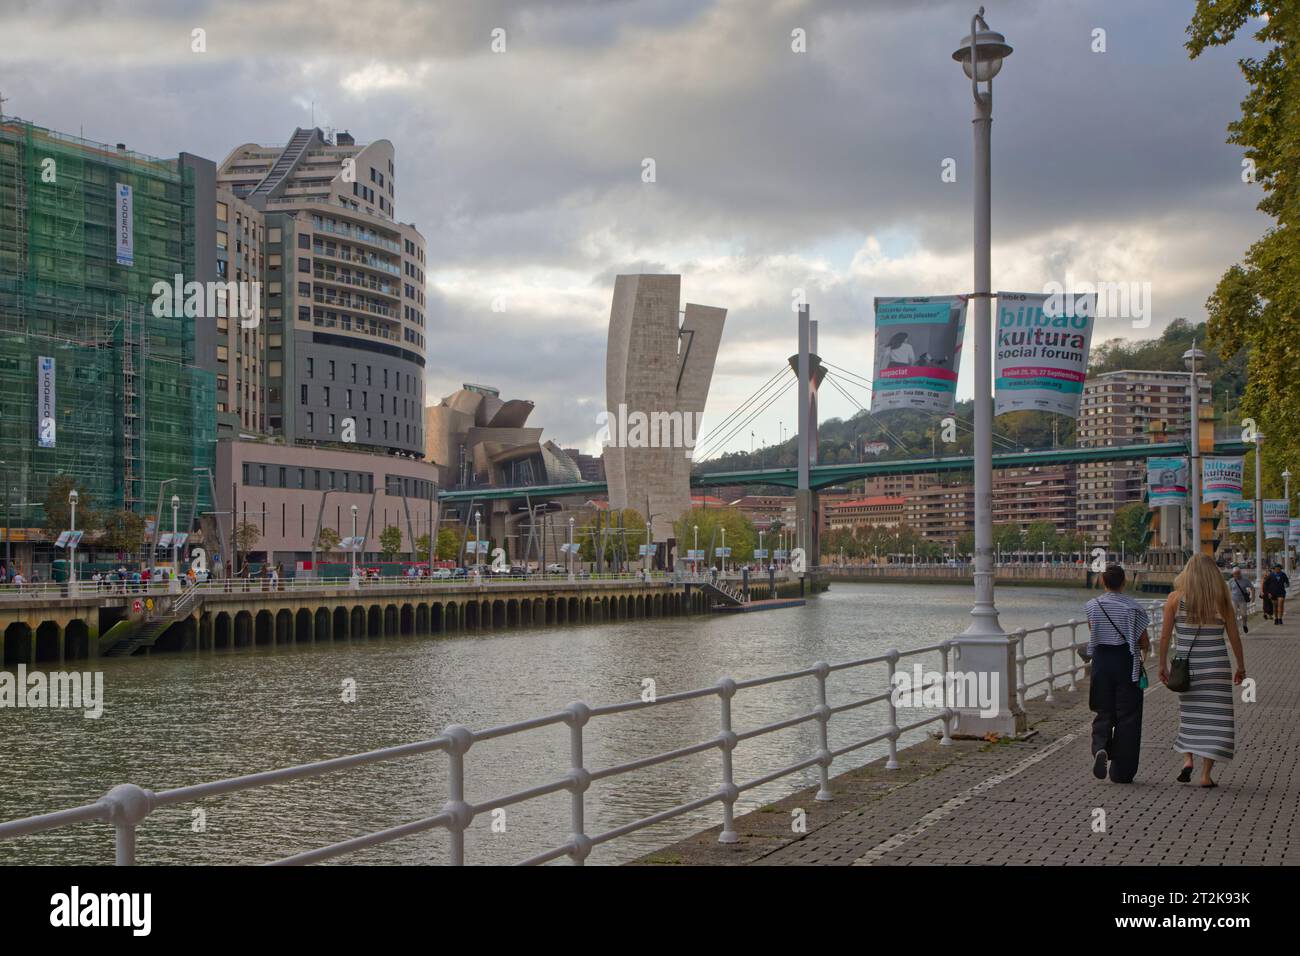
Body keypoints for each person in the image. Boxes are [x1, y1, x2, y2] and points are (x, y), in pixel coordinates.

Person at [1158, 553, 1247, 788]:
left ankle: (1188, 760)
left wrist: (1161, 664)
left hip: (1188, 669)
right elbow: (1234, 637)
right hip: (1217, 666)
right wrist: (1241, 666)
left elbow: (1165, 636)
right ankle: (1206, 775)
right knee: (1216, 720)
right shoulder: (1222, 600)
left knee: (1191, 717)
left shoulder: (1175, 599)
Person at [1082, 565, 1150, 783]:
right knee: (1128, 716)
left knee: (1103, 710)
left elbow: (1094, 632)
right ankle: (1122, 772)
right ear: (1124, 582)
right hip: (1126, 662)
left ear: (1103, 581)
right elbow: (1144, 641)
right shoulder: (1134, 608)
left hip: (1101, 662)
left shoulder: (1092, 606)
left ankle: (1101, 747)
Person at [1228, 566, 1254, 634]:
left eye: (1238, 573)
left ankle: (1244, 625)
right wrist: (1228, 599)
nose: (1237, 575)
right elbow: (1229, 590)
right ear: (1233, 574)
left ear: (1240, 573)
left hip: (1242, 600)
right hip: (1234, 600)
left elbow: (1252, 588)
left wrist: (1253, 597)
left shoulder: (1245, 580)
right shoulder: (1231, 581)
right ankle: (1235, 629)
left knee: (1244, 614)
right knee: (1234, 614)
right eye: (1235, 574)